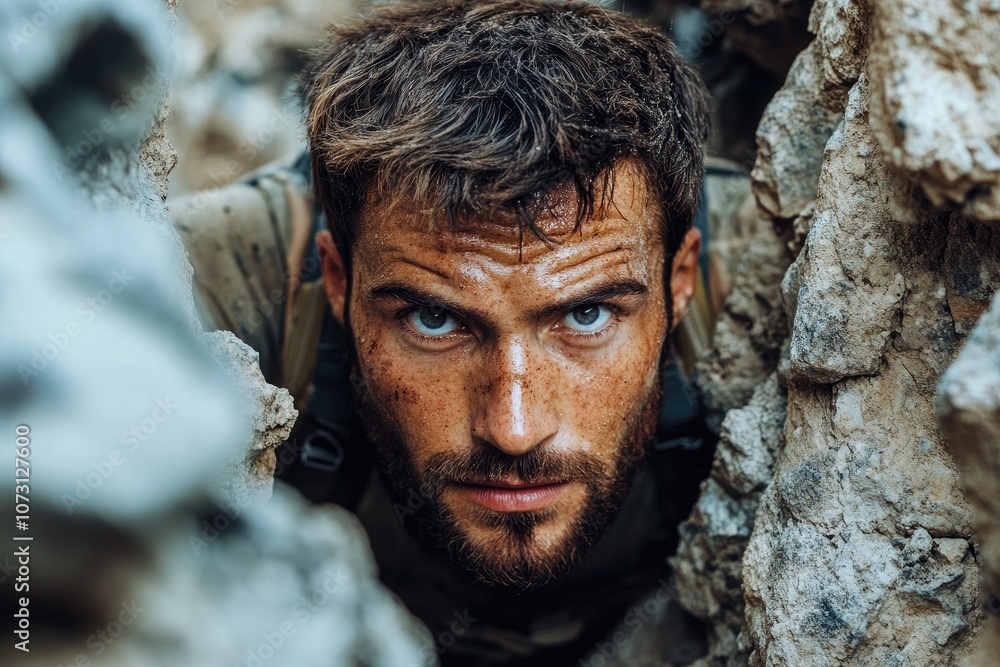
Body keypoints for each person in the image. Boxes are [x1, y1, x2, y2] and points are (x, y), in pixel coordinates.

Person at [172, 1, 756, 664]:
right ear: (337, 278)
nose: (513, 427)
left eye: (586, 315)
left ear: (679, 281)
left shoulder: (773, 278)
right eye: (435, 318)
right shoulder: (197, 279)